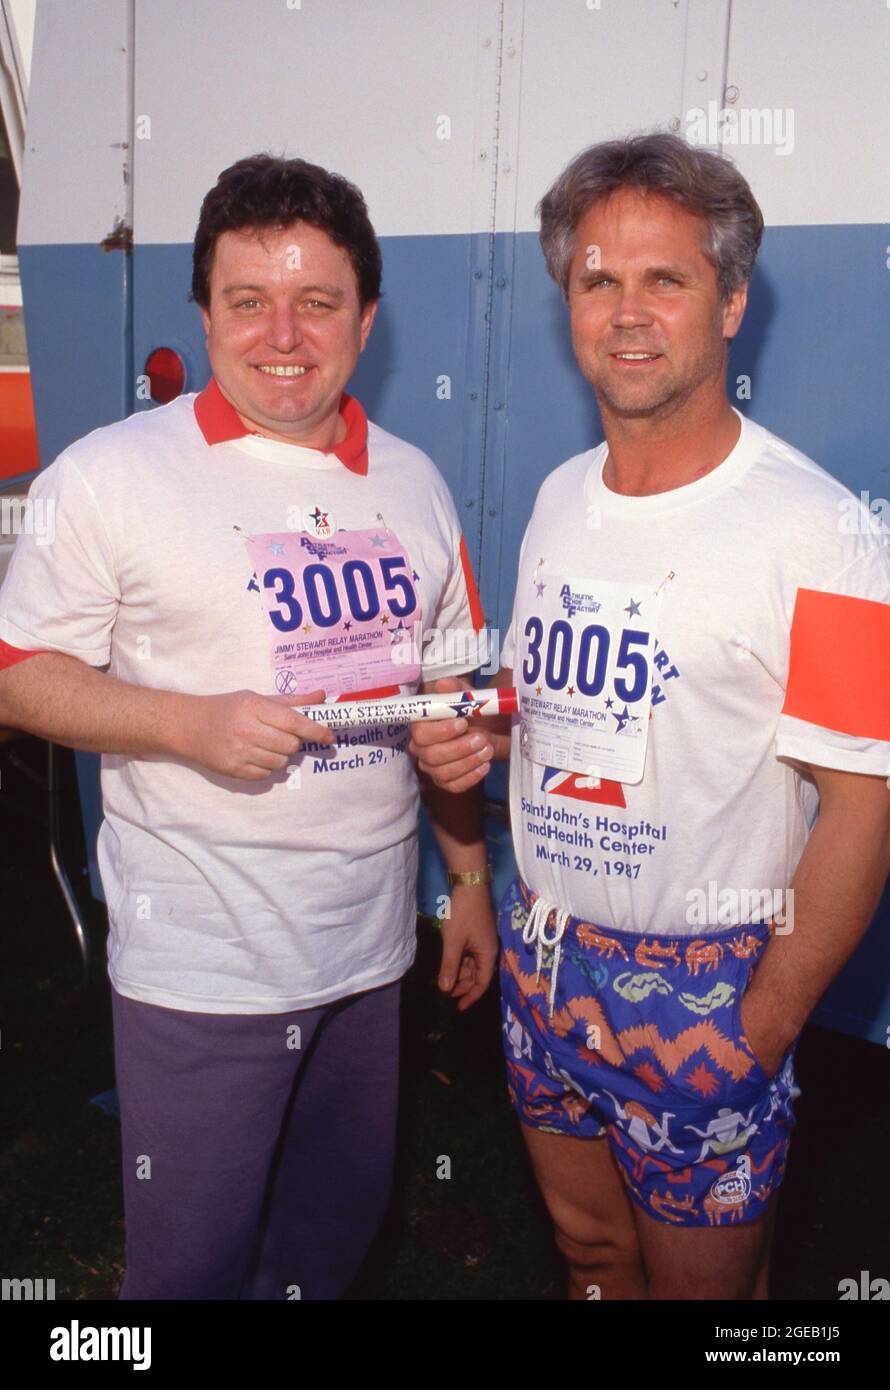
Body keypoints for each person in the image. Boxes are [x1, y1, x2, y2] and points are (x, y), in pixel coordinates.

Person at [0, 154, 497, 1300]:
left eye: (317, 302)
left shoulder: (416, 485)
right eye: (246, 301)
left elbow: (445, 706)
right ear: (205, 311)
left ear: (365, 319)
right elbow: (21, 673)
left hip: (367, 960)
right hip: (204, 969)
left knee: (328, 1239)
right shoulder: (112, 475)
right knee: (190, 1268)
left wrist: (465, 876)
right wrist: (181, 722)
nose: (283, 333)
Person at [411, 133, 890, 1300]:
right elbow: (559, 710)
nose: (626, 312)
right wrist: (482, 729)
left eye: (663, 279)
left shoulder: (827, 535)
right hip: (544, 956)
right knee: (585, 1256)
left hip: (708, 989)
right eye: (596, 280)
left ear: (727, 301)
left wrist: (758, 1026)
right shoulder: (557, 499)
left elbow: (863, 804)